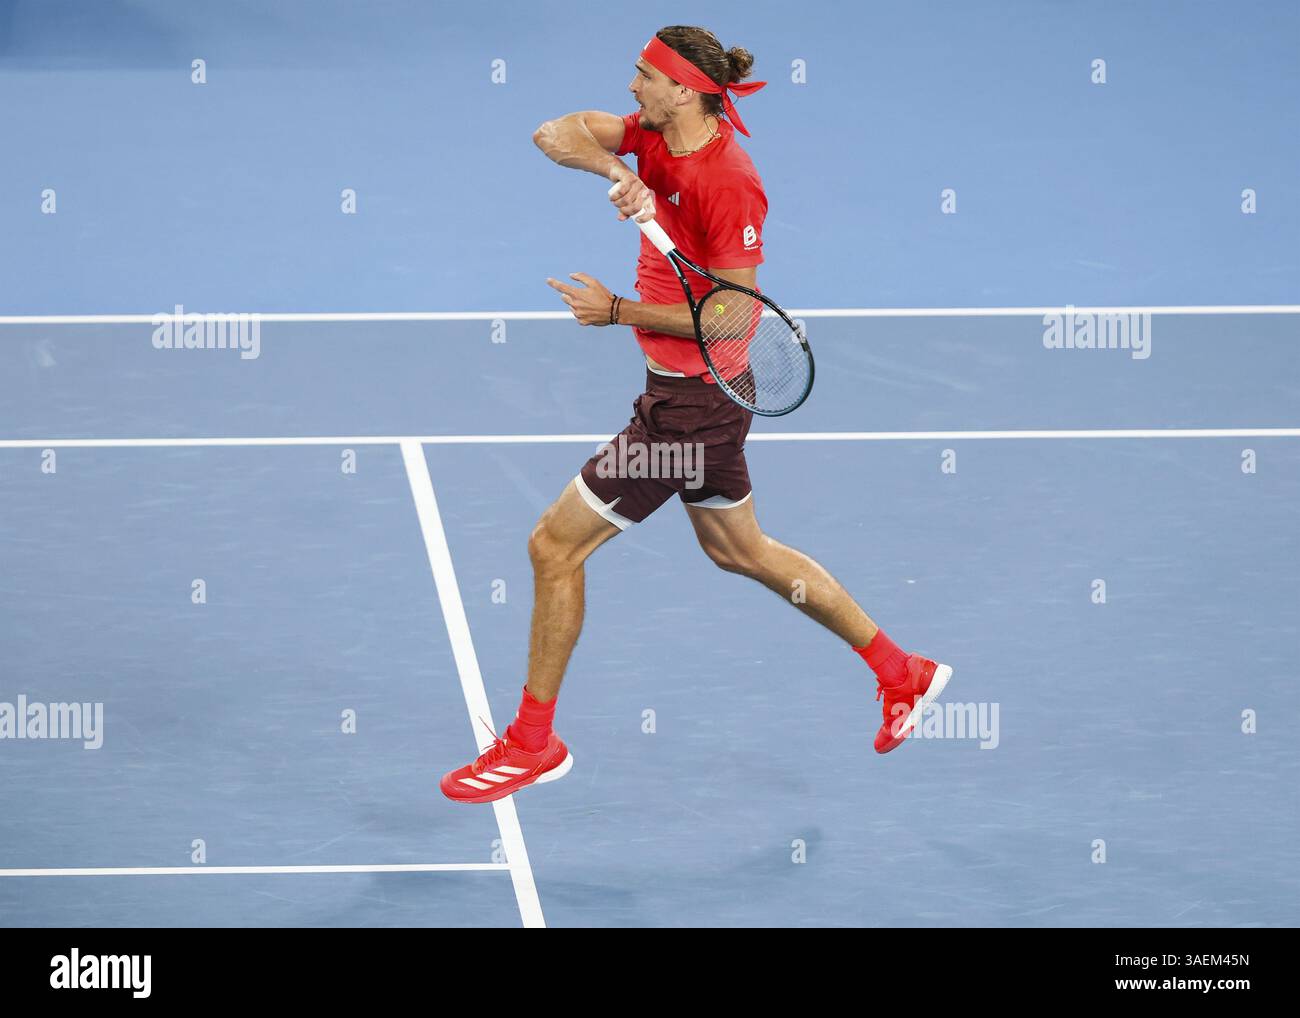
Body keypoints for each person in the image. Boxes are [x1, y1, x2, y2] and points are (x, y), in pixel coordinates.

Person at [440, 26, 951, 804]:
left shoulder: (727, 180)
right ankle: (900, 672)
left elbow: (732, 323)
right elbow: (557, 132)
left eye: (644, 75)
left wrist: (616, 311)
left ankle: (531, 744)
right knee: (738, 550)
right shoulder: (651, 135)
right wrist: (623, 173)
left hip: (691, 411)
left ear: (683, 88)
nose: (632, 85)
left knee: (553, 548)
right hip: (691, 404)